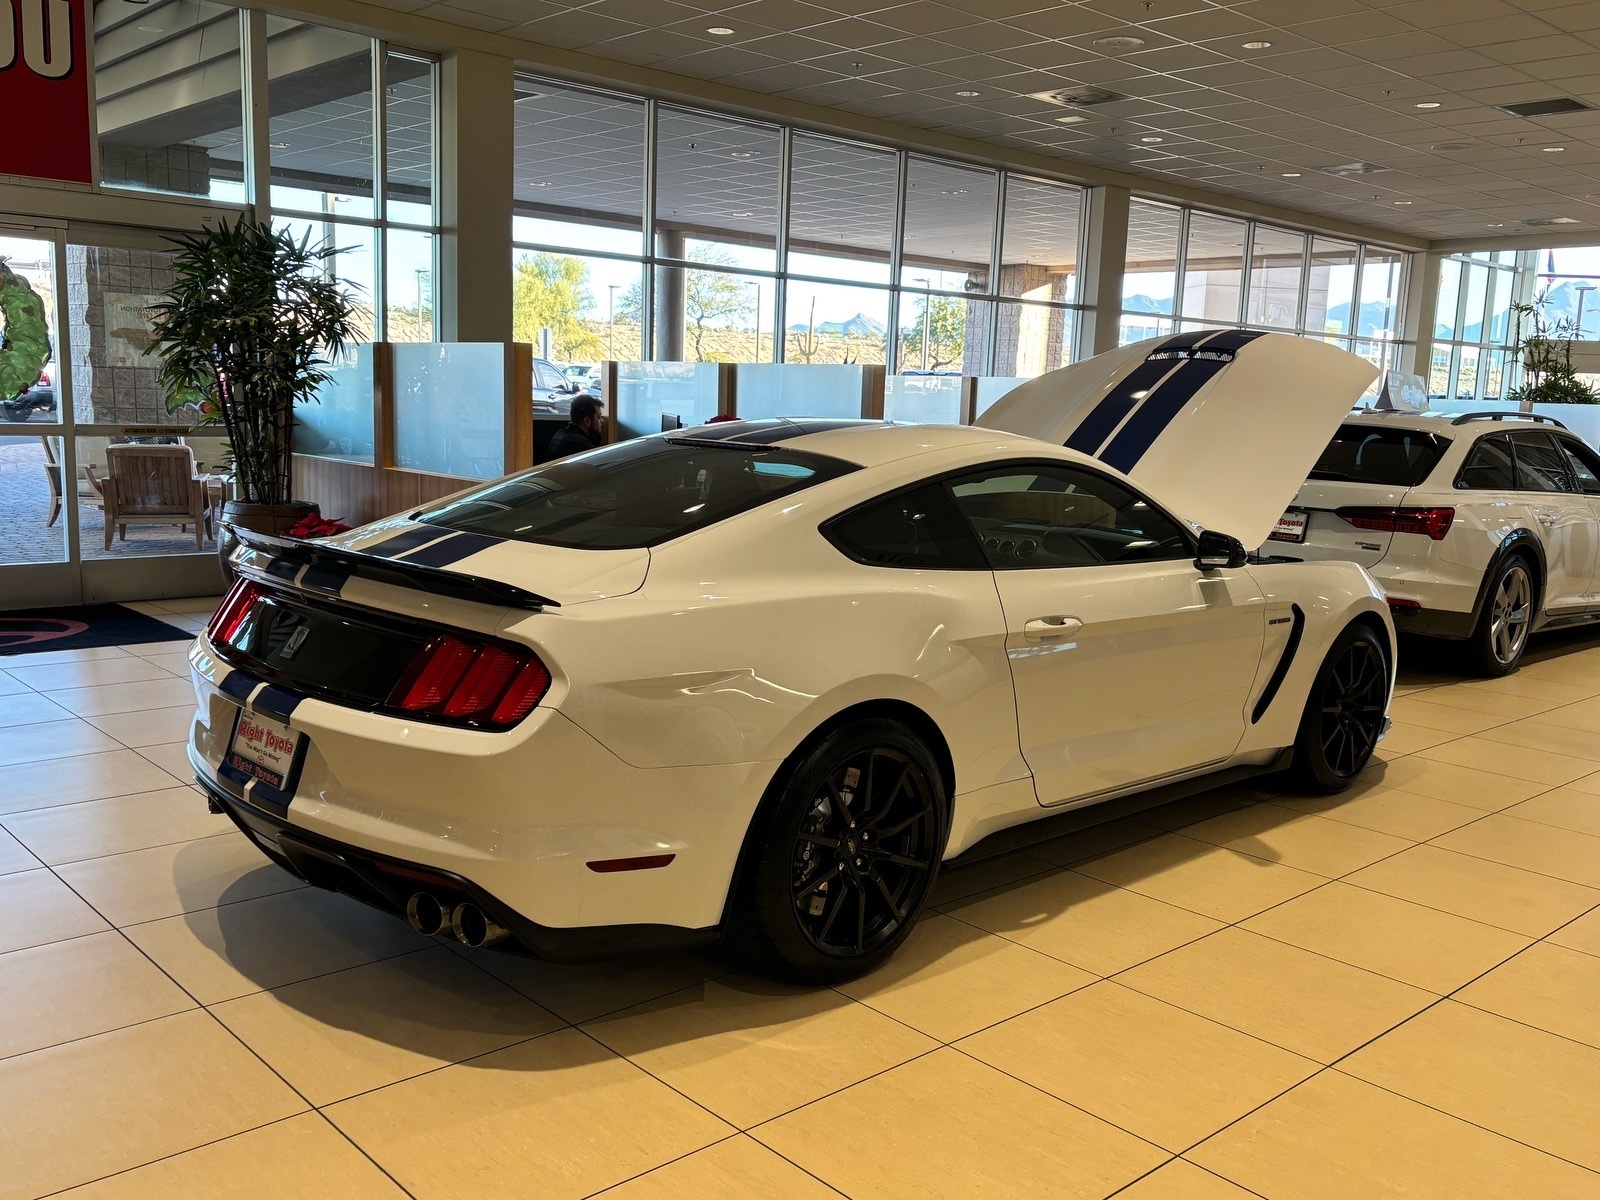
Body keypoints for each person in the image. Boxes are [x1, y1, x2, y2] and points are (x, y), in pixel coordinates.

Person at [546, 395, 605, 460]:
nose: (602, 420)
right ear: (587, 421)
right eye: (599, 417)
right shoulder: (578, 443)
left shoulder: (561, 434)